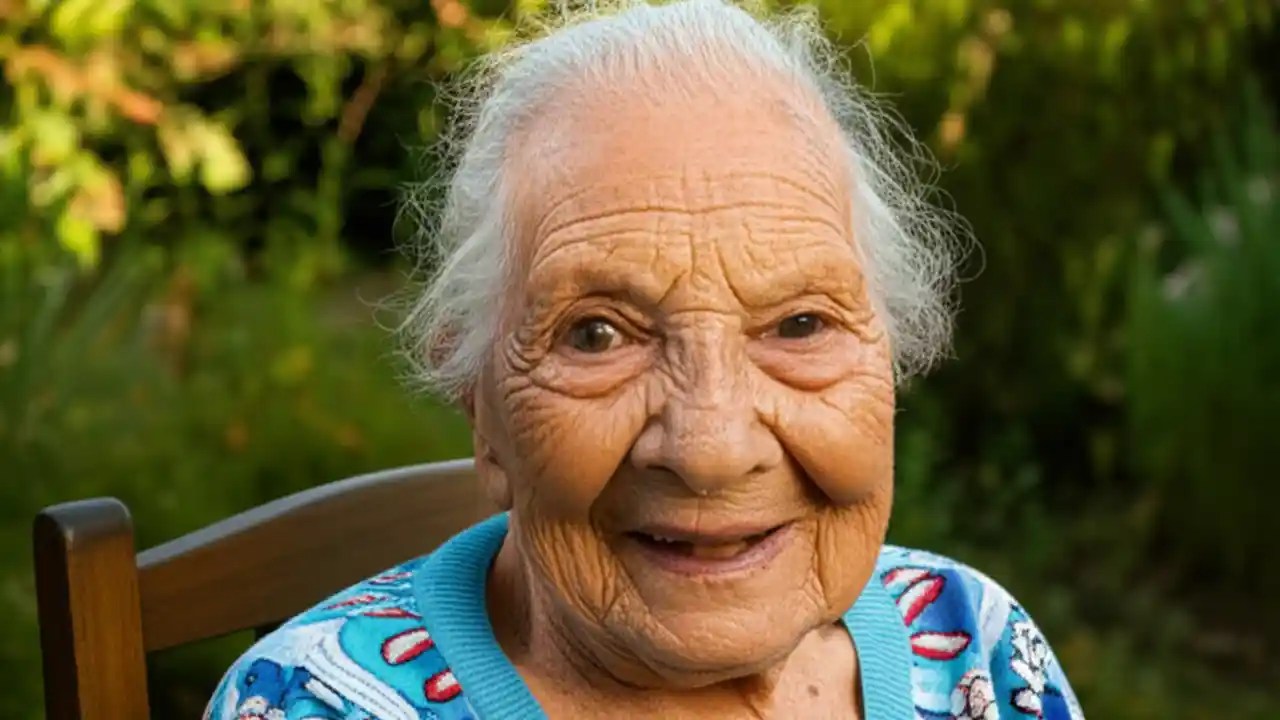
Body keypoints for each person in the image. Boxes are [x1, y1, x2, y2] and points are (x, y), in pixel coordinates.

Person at [206, 1, 1084, 718]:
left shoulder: (978, 650)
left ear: (889, 359)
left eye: (800, 326)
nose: (711, 448)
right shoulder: (313, 703)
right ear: (481, 409)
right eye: (597, 335)